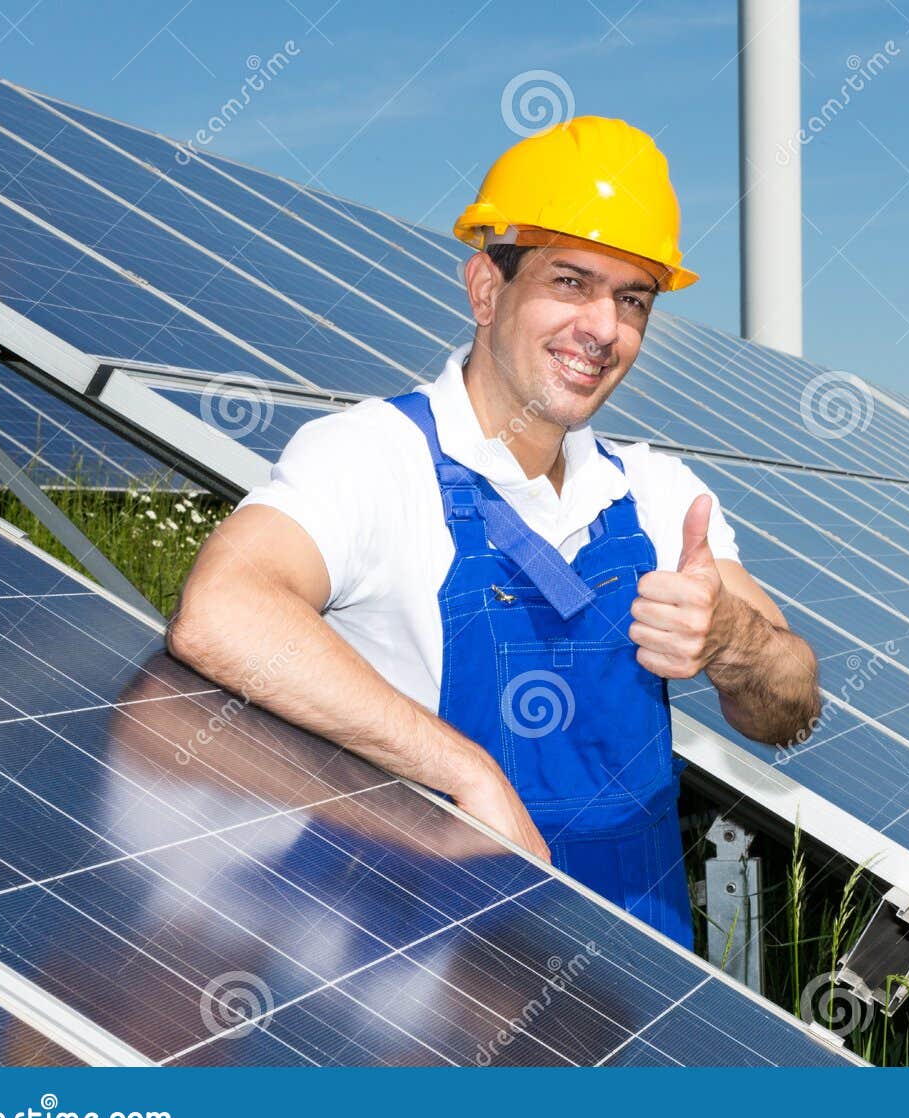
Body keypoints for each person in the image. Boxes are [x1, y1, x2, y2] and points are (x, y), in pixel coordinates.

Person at [166, 116, 820, 949]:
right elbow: (220, 610)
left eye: (632, 299)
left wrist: (732, 641)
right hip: (425, 970)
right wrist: (464, 769)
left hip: (640, 967)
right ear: (485, 288)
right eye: (571, 282)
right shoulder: (373, 458)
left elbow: (792, 708)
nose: (604, 328)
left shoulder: (661, 495)